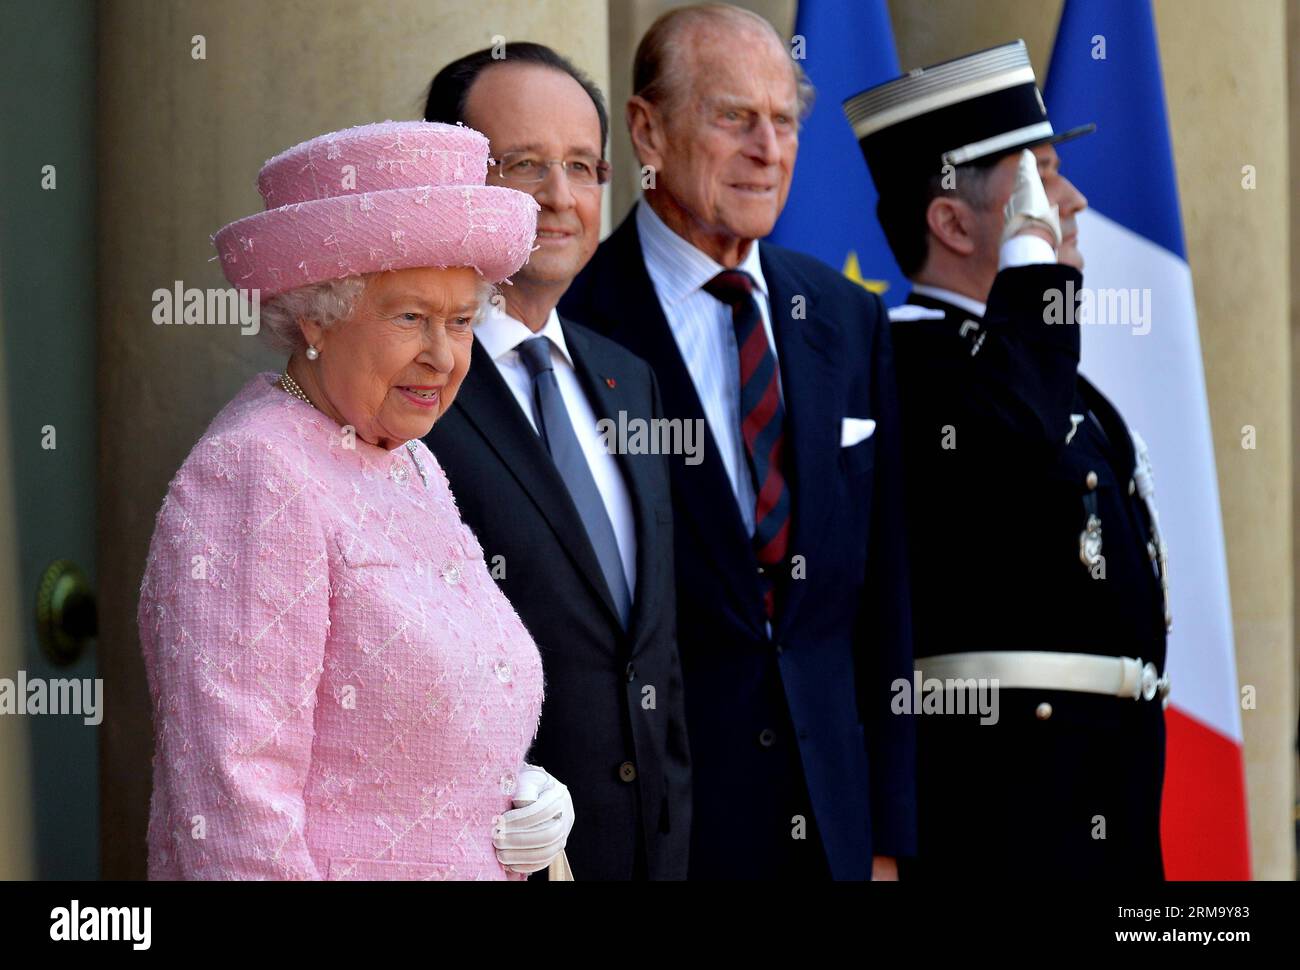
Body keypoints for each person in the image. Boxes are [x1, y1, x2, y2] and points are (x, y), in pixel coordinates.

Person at [137, 120, 576, 880]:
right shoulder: (253, 477)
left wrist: (508, 792)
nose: (441, 356)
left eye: (462, 321)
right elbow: (236, 819)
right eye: (409, 317)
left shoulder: (406, 463)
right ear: (317, 314)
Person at [561, 3, 915, 880]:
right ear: (647, 129)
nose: (769, 148)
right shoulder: (570, 322)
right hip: (667, 833)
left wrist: (887, 839)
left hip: (833, 825)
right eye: (733, 117)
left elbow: (888, 600)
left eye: (785, 120)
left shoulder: (847, 317)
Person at [843, 40, 1170, 879]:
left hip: (1107, 806)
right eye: (1043, 179)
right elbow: (1018, 429)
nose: (1073, 201)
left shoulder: (1063, 385)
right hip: (994, 817)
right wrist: (1032, 275)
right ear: (951, 221)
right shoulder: (901, 366)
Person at [421, 44, 691, 880]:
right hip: (491, 857)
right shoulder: (411, 389)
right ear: (448, 181)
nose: (563, 198)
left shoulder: (630, 380)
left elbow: (653, 650)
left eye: (583, 165)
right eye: (526, 165)